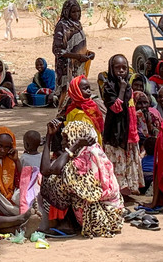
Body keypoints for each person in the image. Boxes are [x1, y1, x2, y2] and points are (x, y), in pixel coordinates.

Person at [40, 118, 124, 237]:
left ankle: (67, 225)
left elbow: (53, 170)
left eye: (66, 138)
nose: (63, 143)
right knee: (55, 177)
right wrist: (49, 136)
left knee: (56, 180)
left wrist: (74, 146)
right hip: (102, 213)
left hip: (100, 217)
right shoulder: (83, 153)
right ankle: (70, 222)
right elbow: (45, 170)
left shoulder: (87, 157)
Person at [100, 54, 142, 196]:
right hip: (116, 131)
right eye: (117, 68)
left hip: (129, 130)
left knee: (129, 160)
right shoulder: (109, 87)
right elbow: (115, 108)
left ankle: (127, 191)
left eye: (124, 67)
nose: (121, 71)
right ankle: (116, 191)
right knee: (117, 160)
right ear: (111, 69)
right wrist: (122, 89)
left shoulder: (128, 86)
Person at [51, 0, 92, 104]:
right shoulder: (62, 26)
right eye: (73, 11)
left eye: (78, 11)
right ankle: (63, 118)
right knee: (66, 95)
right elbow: (57, 50)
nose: (76, 14)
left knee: (78, 93)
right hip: (66, 68)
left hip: (78, 67)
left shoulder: (78, 24)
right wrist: (78, 56)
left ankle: (76, 118)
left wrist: (88, 53)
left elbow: (78, 45)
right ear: (67, 11)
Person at [60, 76, 104, 141]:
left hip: (95, 140)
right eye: (85, 89)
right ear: (76, 91)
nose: (89, 91)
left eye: (89, 88)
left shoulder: (92, 105)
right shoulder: (73, 111)